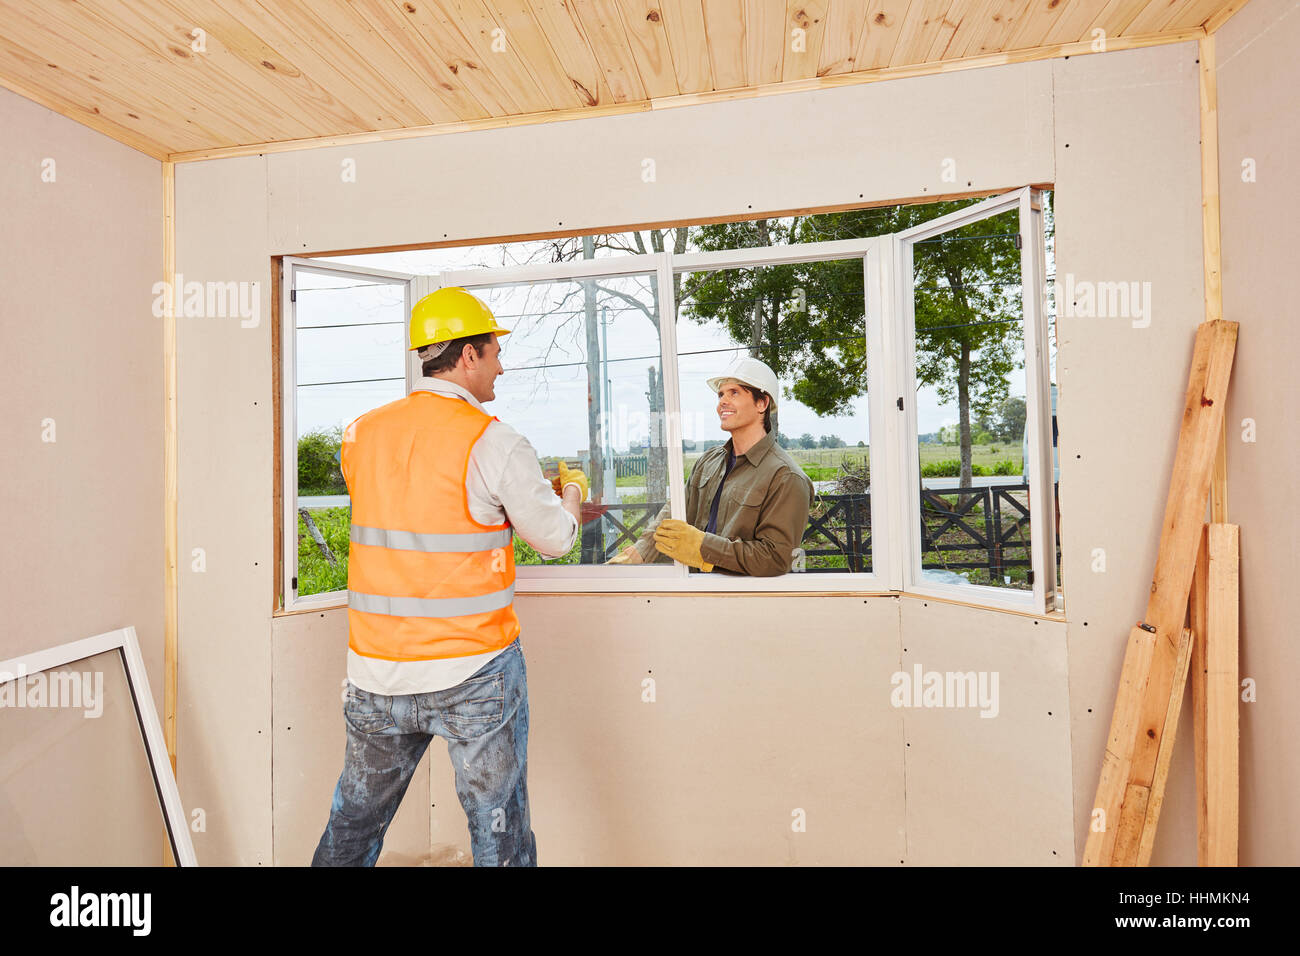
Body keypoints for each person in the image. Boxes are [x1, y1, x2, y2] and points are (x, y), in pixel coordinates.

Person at [312, 286, 588, 867]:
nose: (501, 365)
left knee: (354, 825)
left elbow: (410, 518)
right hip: (473, 672)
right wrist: (572, 491)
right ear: (468, 356)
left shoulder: (360, 434)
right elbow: (556, 539)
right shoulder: (494, 440)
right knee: (498, 833)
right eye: (494, 351)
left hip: (375, 673)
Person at [609, 357, 814, 576]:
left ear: (761, 403)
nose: (722, 402)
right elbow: (674, 513)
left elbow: (775, 558)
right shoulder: (709, 461)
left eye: (734, 392)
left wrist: (703, 547)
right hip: (693, 590)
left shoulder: (786, 477)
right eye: (721, 394)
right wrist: (638, 553)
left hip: (744, 601)